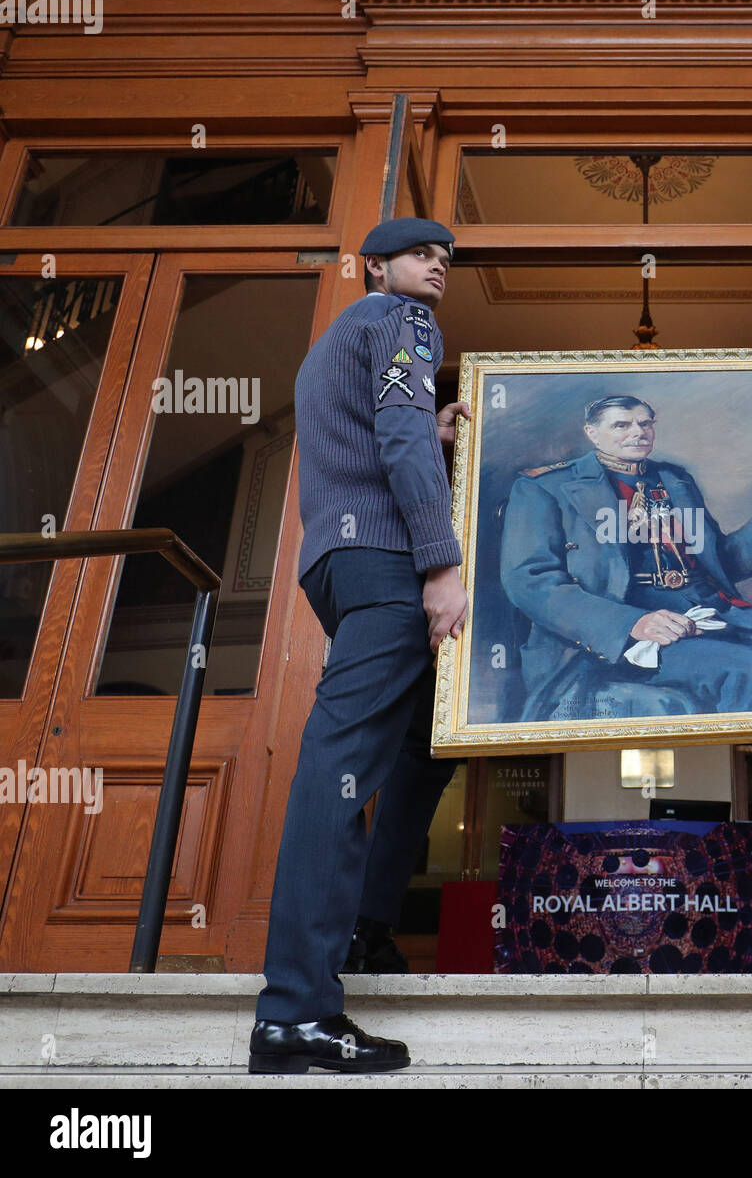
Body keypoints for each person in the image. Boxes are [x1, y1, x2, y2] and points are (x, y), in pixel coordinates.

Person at [248, 218, 470, 1075]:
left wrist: (435, 431)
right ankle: (296, 1008)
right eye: (422, 255)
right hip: (385, 562)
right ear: (376, 264)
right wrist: (441, 563)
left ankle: (368, 931)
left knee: (416, 749)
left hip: (336, 560)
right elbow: (402, 438)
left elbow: (379, 432)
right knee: (338, 764)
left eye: (445, 259)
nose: (438, 268)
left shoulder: (336, 341)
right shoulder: (403, 322)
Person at [498, 395, 752, 721]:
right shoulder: (545, 487)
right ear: (592, 433)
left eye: (645, 424)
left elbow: (719, 564)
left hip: (717, 616)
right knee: (748, 668)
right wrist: (634, 622)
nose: (638, 433)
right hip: (620, 640)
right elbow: (531, 583)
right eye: (622, 425)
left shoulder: (673, 479)